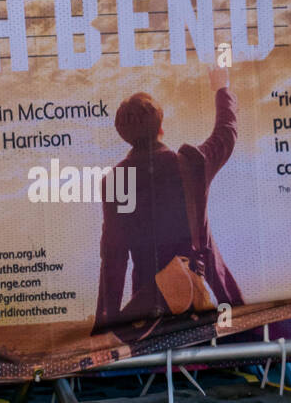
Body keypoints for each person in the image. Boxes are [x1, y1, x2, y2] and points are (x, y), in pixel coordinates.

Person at [95, 66, 243, 341]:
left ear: (123, 135)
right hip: (206, 299)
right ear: (161, 127)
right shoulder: (192, 164)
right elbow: (227, 132)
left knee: (158, 365)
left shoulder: (117, 180)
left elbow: (114, 259)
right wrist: (222, 88)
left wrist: (106, 324)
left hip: (150, 309)